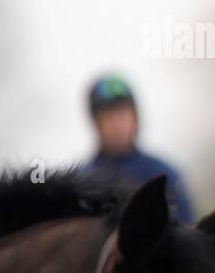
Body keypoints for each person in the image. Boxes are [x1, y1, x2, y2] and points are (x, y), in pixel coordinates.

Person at [83, 73, 196, 222]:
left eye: (123, 114)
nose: (117, 124)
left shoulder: (165, 176)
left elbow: (187, 232)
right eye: (108, 116)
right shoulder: (84, 182)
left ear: (135, 118)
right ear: (96, 124)